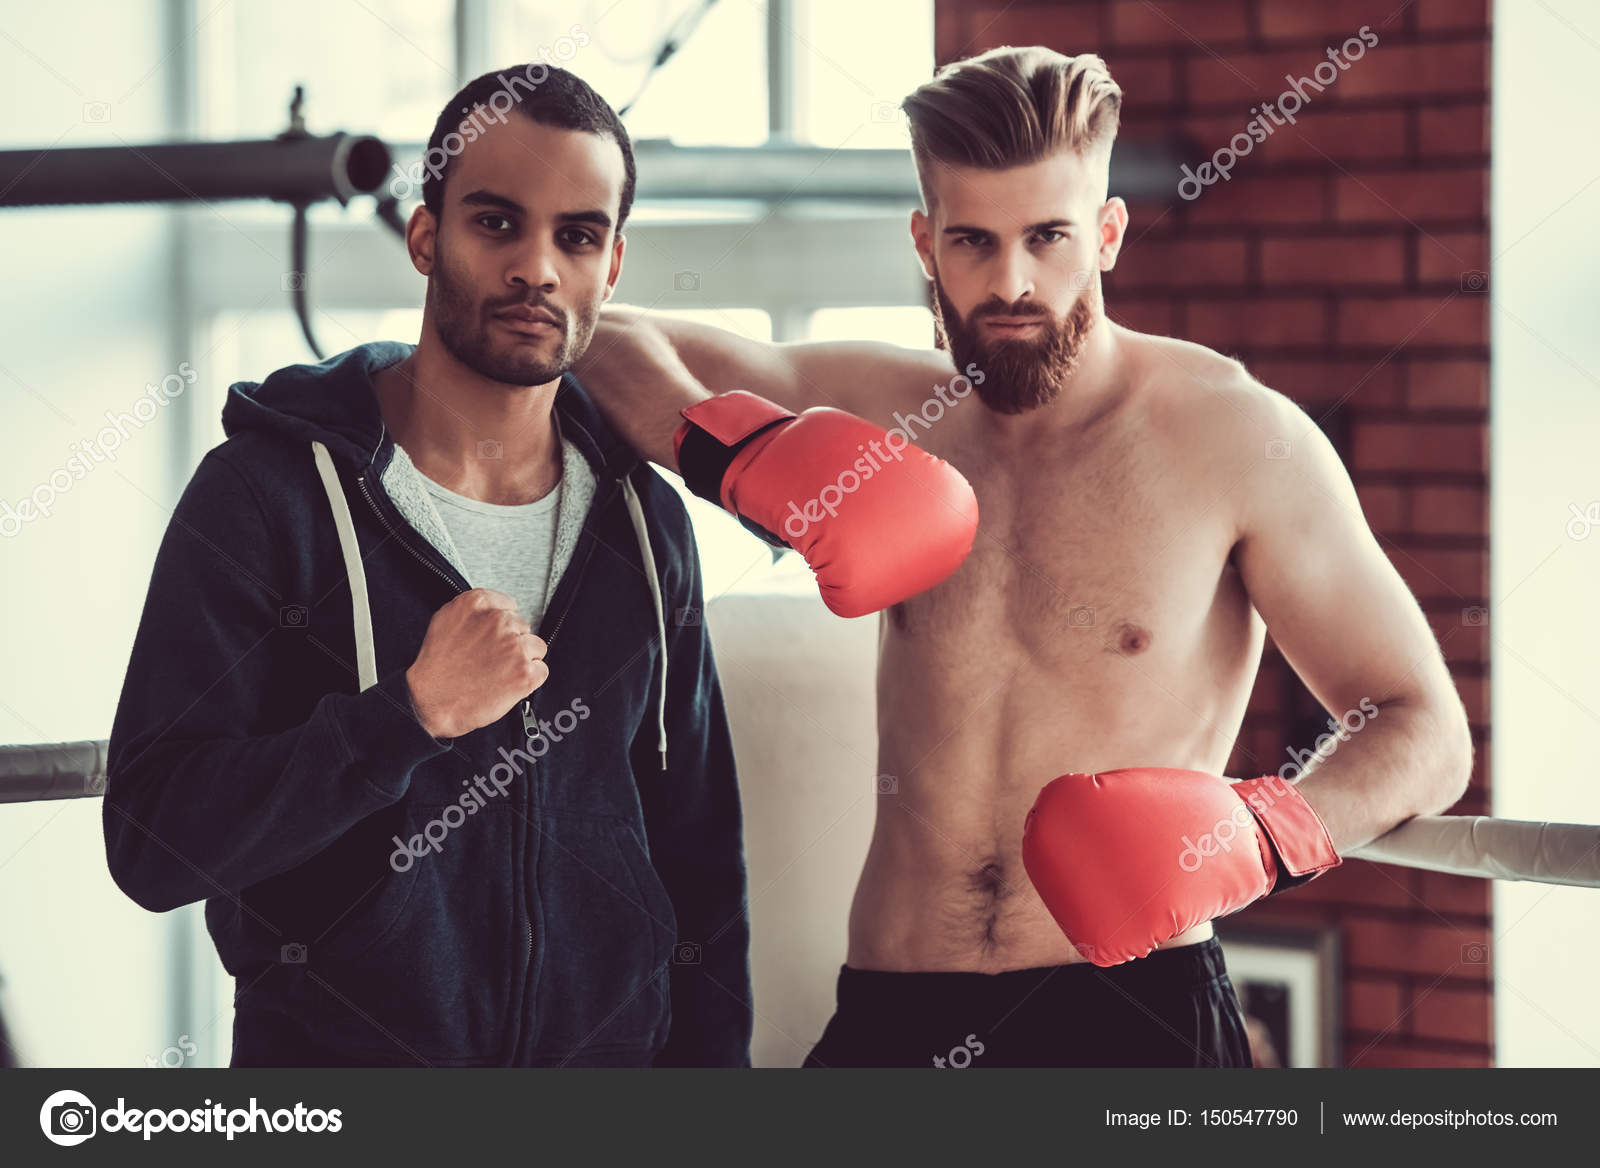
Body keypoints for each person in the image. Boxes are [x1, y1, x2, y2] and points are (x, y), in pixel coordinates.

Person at [571, 46, 1473, 1067]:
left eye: (1047, 237)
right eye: (972, 241)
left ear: (1107, 232)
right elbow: (592, 330)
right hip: (892, 1010)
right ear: (925, 242)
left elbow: (1428, 733)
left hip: (1134, 1014)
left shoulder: (1234, 438)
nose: (1010, 281)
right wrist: (731, 450)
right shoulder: (888, 408)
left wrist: (1262, 835)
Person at [104, 65, 772, 1067]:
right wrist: (402, 718)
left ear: (613, 265)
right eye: (496, 223)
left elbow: (698, 862)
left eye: (576, 236)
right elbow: (154, 843)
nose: (537, 268)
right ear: (426, 236)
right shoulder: (264, 497)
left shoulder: (644, 524)